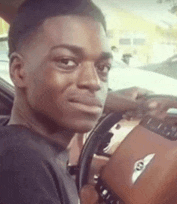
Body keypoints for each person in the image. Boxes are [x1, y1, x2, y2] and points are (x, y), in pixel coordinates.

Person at [0, 0, 150, 203]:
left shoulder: (14, 139)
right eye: (66, 62)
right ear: (18, 71)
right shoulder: (23, 165)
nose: (94, 82)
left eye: (102, 67)